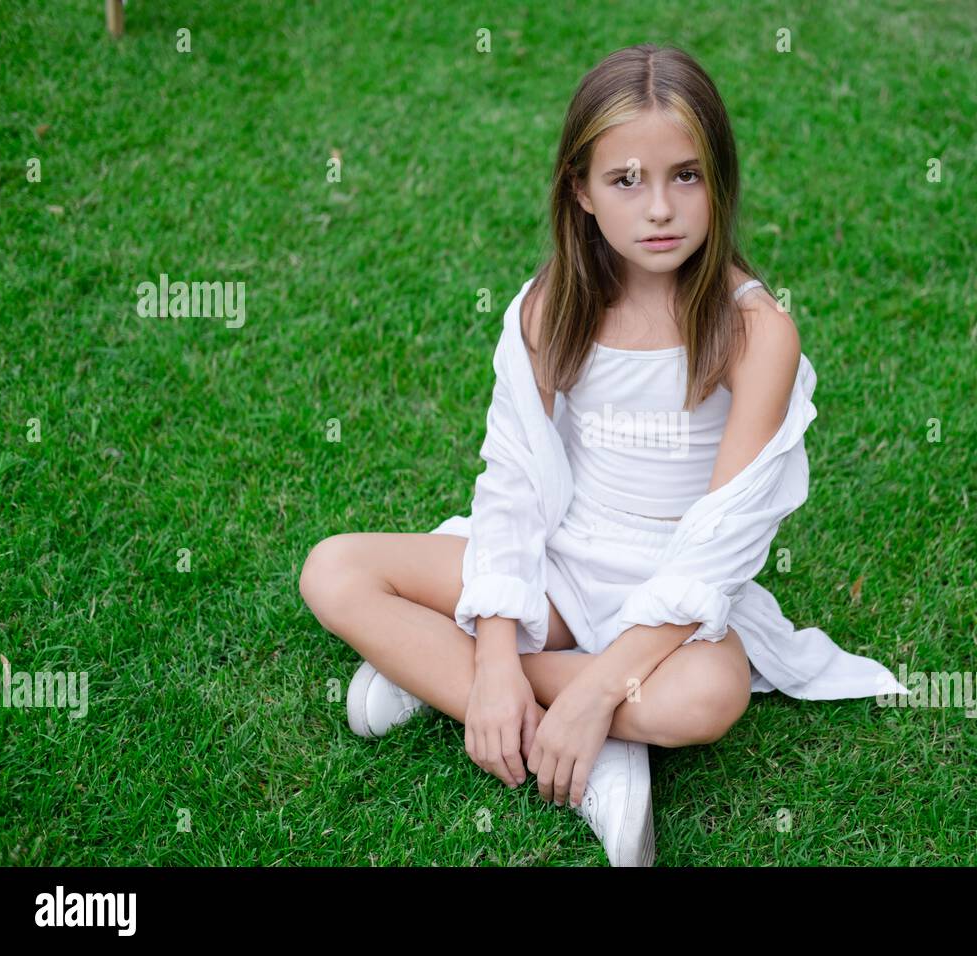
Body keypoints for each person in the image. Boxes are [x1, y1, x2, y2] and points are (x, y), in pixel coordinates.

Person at [299, 42, 904, 867]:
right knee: (333, 569)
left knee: (710, 696)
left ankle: (444, 672)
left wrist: (593, 686)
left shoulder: (756, 331)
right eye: (626, 180)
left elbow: (724, 535)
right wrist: (502, 650)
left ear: (719, 181)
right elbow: (510, 485)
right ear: (580, 191)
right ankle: (532, 707)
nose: (660, 208)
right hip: (564, 564)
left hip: (675, 596)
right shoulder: (552, 308)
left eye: (686, 175)